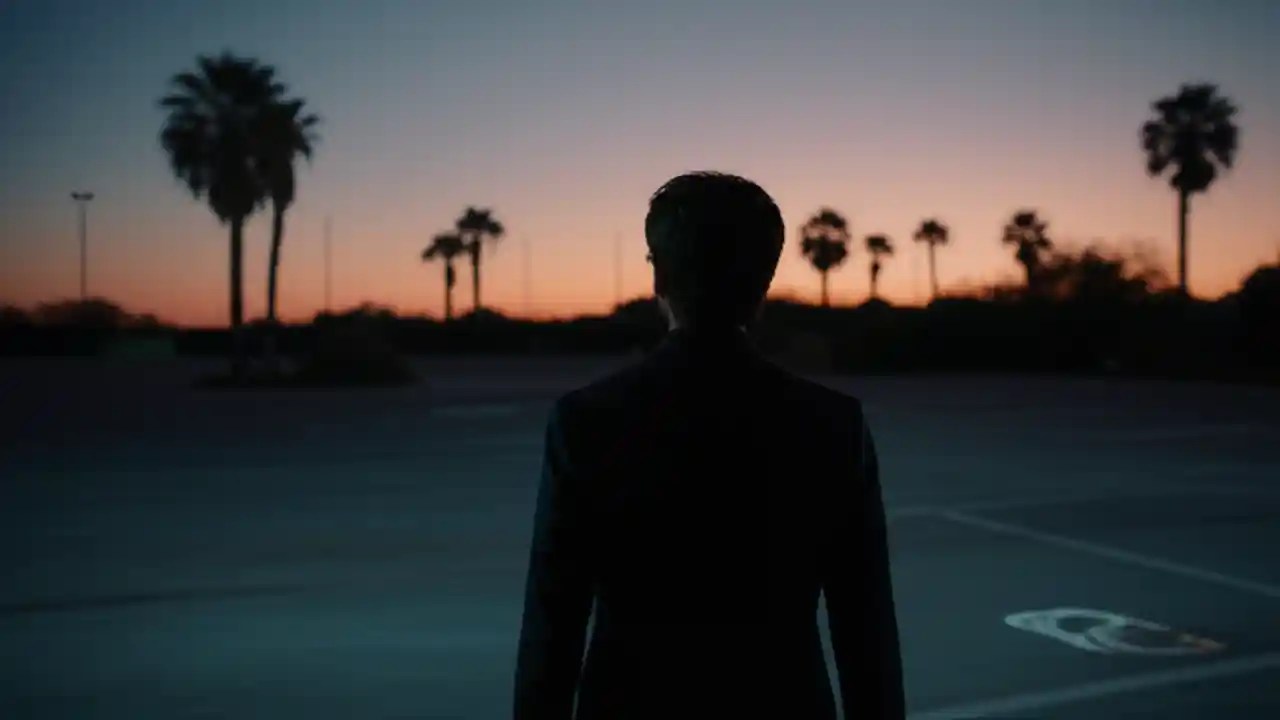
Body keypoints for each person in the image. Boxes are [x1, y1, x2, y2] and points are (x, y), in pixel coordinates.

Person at [513, 172, 905, 719]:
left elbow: (552, 627)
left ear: (659, 276)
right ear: (764, 283)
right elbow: (866, 633)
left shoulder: (585, 421)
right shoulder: (833, 425)